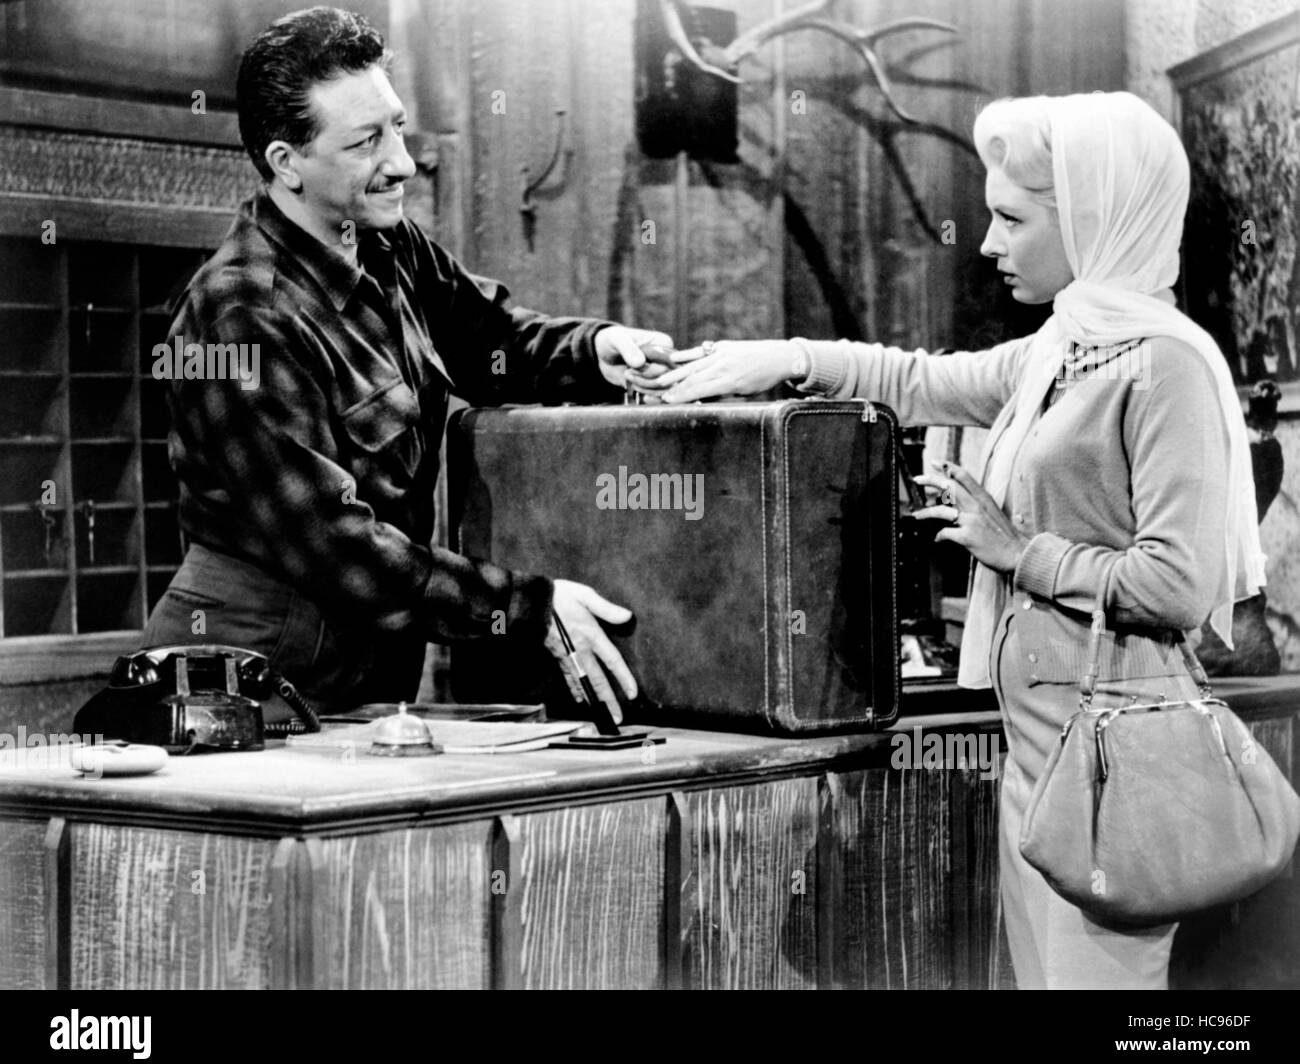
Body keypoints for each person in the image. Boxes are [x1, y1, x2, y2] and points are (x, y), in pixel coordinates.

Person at [631, 91, 1267, 989]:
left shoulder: (1165, 365)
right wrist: (784, 357)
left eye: (1012, 217)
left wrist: (1018, 552)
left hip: (1117, 767)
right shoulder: (1062, 350)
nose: (987, 243)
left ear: (1092, 215)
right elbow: (918, 379)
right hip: (1042, 759)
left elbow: (1176, 583)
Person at [142, 7, 672, 722]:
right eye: (366, 141)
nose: (400, 160)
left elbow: (495, 342)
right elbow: (333, 545)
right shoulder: (239, 315)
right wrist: (524, 606)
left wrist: (598, 351)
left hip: (363, 664)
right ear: (286, 163)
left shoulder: (385, 242)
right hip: (252, 676)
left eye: (395, 125)